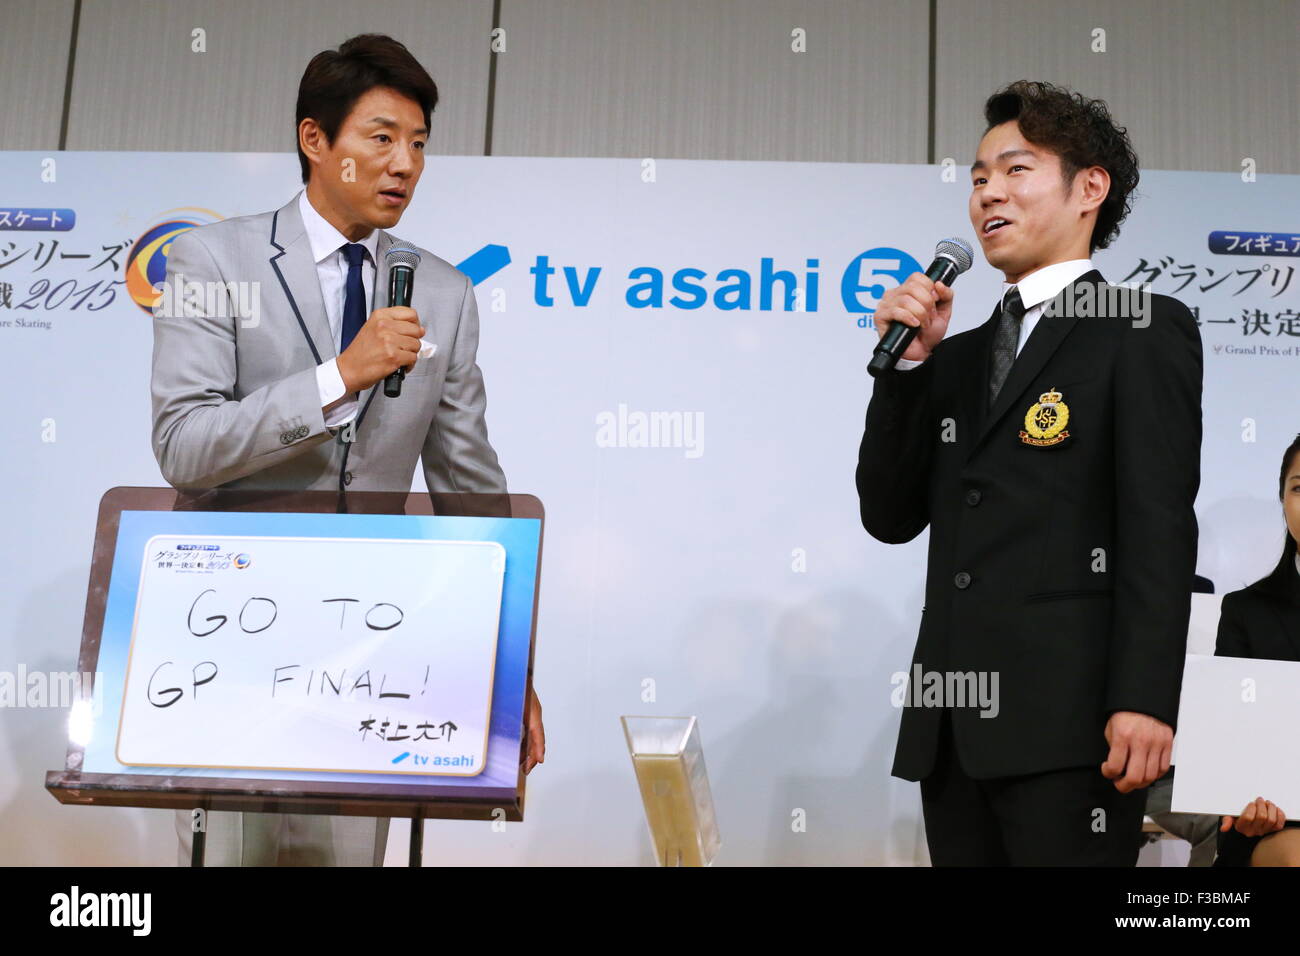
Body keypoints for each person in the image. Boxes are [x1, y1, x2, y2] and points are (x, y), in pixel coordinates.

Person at [150, 34, 544, 865]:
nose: (405, 163)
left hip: (368, 651)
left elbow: (472, 488)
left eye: (420, 144)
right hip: (230, 635)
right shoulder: (210, 258)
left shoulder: (443, 290)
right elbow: (184, 446)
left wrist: (512, 665)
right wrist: (340, 376)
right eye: (381, 137)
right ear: (315, 141)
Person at [857, 80, 1203, 865]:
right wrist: (907, 373)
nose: (988, 195)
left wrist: (1144, 700)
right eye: (978, 179)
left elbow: (1158, 525)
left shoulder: (1143, 330)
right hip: (950, 729)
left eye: (1015, 171)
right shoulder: (958, 354)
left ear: (1089, 189)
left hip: (1073, 726)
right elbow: (889, 514)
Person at [1212, 433, 1300, 866]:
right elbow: (1229, 737)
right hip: (1275, 823)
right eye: (1299, 488)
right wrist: (1239, 800)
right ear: (1282, 499)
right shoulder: (1245, 611)